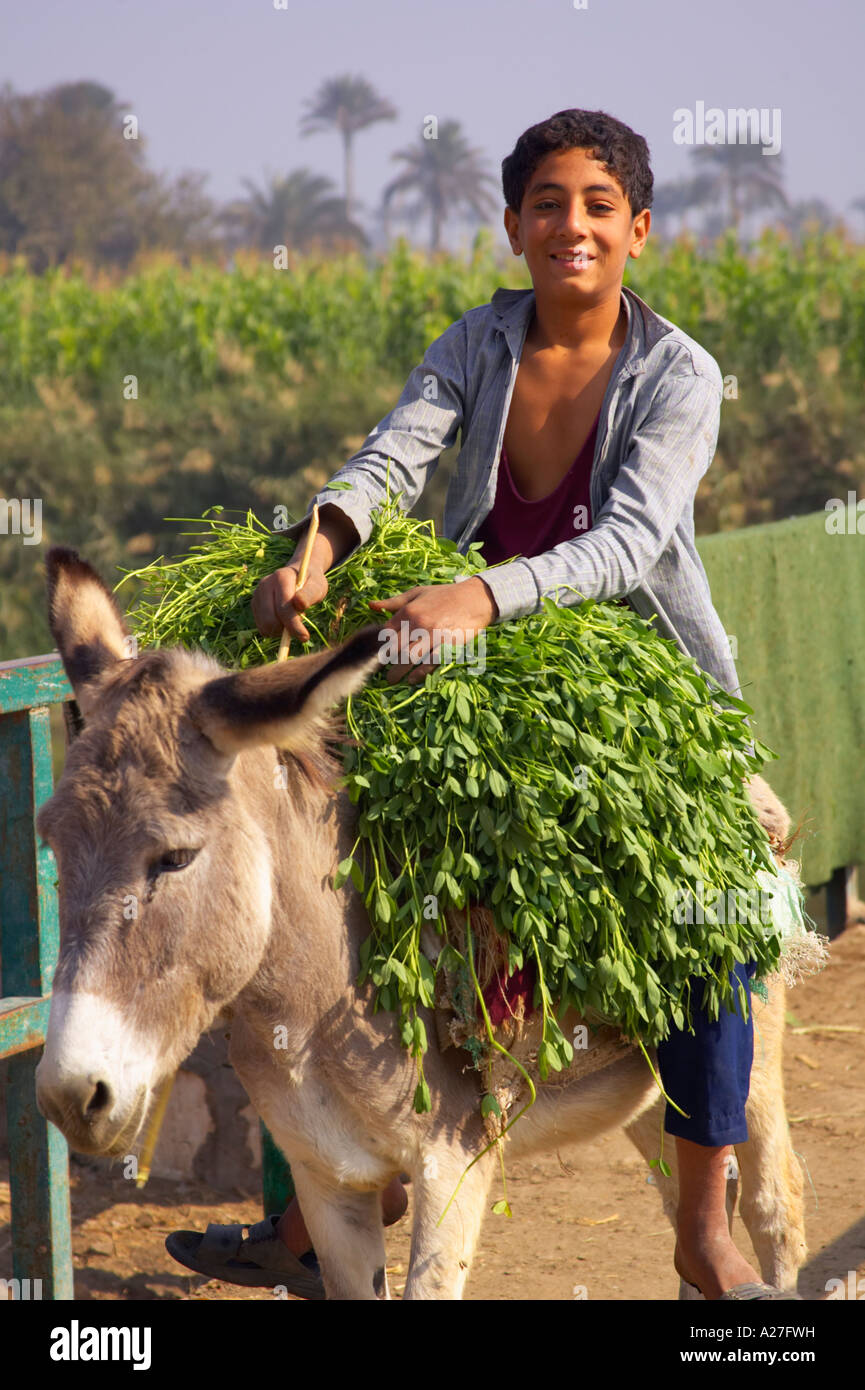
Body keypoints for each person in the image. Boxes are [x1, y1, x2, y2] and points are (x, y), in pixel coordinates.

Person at [166, 108, 797, 1301]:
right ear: (512, 225)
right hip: (457, 660)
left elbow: (623, 546)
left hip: (633, 679)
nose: (571, 226)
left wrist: (481, 596)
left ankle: (702, 1224)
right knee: (302, 848)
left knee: (709, 906)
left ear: (638, 230)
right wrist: (320, 544)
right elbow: (392, 457)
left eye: (596, 206)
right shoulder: (476, 343)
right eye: (547, 204)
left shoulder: (681, 375)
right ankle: (313, 1216)